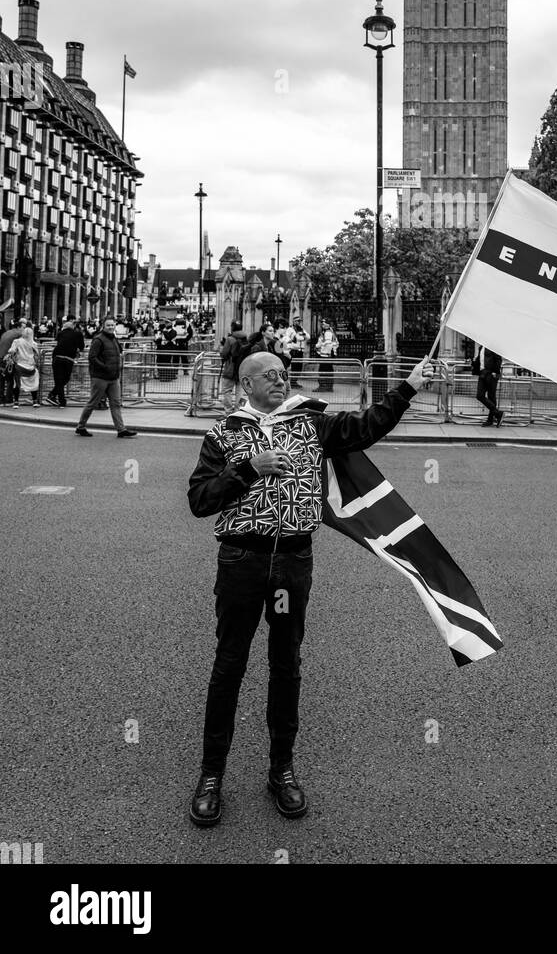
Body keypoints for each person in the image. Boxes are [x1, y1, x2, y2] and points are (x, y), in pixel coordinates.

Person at [186, 351, 433, 828]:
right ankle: (211, 775)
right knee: (229, 664)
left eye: (284, 374)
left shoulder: (310, 423)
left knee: (286, 663)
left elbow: (366, 427)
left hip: (291, 563)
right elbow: (199, 500)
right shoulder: (224, 432)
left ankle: (281, 769)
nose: (281, 381)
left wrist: (408, 388)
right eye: (270, 376)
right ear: (247, 384)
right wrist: (249, 468)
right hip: (241, 560)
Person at [74, 316, 137, 437]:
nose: (110, 327)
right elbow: (92, 357)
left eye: (112, 325)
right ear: (103, 326)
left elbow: (119, 352)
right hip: (100, 377)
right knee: (93, 402)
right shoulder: (98, 339)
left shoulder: (114, 338)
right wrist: (105, 367)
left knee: (116, 403)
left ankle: (121, 430)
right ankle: (80, 426)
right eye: (108, 325)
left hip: (113, 377)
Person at [46, 316, 85, 407]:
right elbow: (82, 347)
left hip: (57, 357)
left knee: (58, 380)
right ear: (73, 327)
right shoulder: (78, 334)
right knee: (65, 379)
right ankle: (60, 400)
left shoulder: (60, 333)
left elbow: (58, 343)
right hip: (68, 358)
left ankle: (54, 396)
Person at [9, 324, 41, 406]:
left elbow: (11, 351)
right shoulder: (34, 344)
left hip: (19, 365)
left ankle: (16, 402)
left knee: (17, 384)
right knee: (34, 382)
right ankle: (34, 401)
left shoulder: (17, 341)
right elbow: (37, 355)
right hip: (31, 366)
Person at [219, 322, 246, 412]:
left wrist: (222, 347)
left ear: (232, 328)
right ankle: (238, 410)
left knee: (227, 390)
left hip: (230, 369)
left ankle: (229, 410)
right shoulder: (246, 339)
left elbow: (224, 354)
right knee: (240, 391)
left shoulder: (230, 339)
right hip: (242, 368)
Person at [474, 345, 504, 427]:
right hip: (482, 374)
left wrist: (495, 371)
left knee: (491, 397)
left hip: (491, 374)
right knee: (479, 395)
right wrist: (473, 363)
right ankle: (498, 414)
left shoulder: (493, 346)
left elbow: (498, 359)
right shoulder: (481, 347)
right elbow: (480, 360)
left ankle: (490, 420)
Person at [0, 319, 22, 405]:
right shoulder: (18, 334)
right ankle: (9, 399)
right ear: (18, 327)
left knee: (1, 379)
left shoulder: (6, 333)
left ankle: (1, 399)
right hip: (8, 358)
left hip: (0, 357)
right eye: (23, 327)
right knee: (10, 379)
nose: (23, 330)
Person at [286, 318, 309, 389]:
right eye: (297, 321)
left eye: (299, 321)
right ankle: (292, 383)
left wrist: (303, 334)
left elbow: (308, 337)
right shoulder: (290, 329)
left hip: (300, 351)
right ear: (294, 321)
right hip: (294, 351)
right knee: (294, 367)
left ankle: (294, 381)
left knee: (299, 367)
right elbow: (286, 338)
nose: (298, 323)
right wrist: (294, 338)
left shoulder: (301, 329)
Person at [315, 325, 338, 393]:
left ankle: (323, 387)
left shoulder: (327, 333)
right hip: (329, 355)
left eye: (323, 323)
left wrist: (317, 346)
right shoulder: (331, 333)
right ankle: (329, 387)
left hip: (325, 356)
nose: (322, 324)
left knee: (322, 371)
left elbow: (327, 344)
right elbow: (336, 344)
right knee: (329, 371)